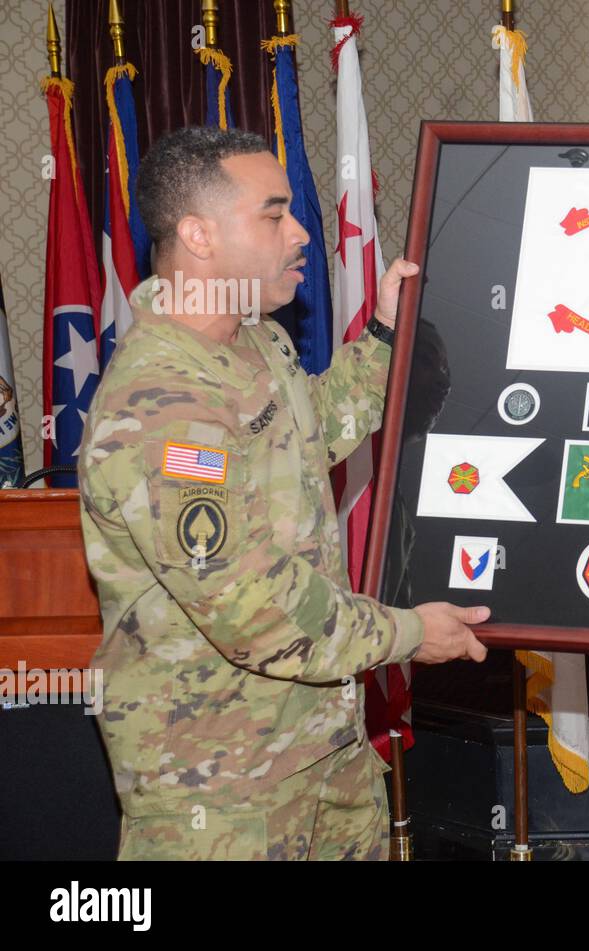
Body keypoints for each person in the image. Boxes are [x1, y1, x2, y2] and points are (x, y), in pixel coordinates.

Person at [78, 126, 487, 861]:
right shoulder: (162, 409)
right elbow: (256, 612)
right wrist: (410, 633)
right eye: (272, 215)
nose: (300, 233)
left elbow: (312, 433)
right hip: (222, 798)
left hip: (321, 753)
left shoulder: (255, 341)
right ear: (199, 235)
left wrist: (386, 336)